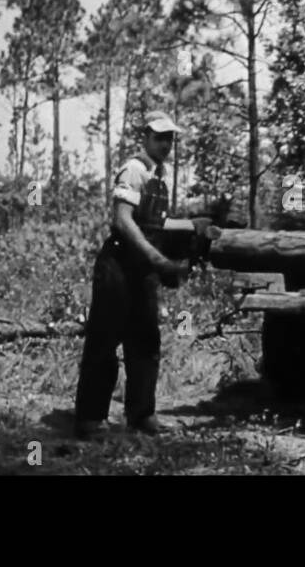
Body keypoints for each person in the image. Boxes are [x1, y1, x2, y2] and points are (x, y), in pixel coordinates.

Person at [73, 110, 220, 439]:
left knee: (145, 341)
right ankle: (89, 420)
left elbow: (155, 222)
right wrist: (159, 258)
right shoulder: (134, 170)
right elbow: (123, 221)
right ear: (146, 137)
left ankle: (141, 416)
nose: (166, 143)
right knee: (104, 341)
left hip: (142, 268)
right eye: (159, 137)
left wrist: (192, 226)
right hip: (117, 264)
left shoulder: (161, 174)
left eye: (170, 138)